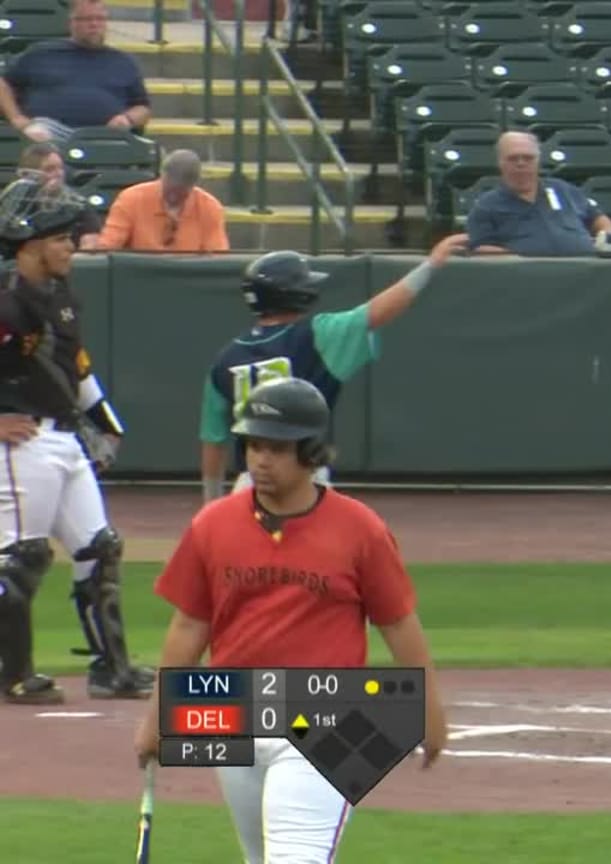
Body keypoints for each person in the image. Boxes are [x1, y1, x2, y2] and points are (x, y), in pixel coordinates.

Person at [133, 377, 449, 863]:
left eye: (277, 448)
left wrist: (429, 710)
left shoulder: (360, 529)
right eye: (254, 446)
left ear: (312, 451)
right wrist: (158, 717)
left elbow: (398, 624)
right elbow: (190, 626)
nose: (261, 460)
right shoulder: (213, 525)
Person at [0, 176, 152, 704]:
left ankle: (112, 669)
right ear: (30, 245)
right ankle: (14, 673)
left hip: (65, 440)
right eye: (61, 238)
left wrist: (107, 423)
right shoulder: (7, 302)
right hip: (22, 443)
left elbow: (76, 368)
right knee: (19, 560)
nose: (72, 246)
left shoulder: (60, 296)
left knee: (99, 548)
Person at [199, 233, 468, 502]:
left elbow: (213, 440)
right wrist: (430, 265)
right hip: (302, 480)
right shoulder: (317, 334)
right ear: (293, 293)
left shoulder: (225, 359)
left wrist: (211, 505)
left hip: (251, 484)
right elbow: (378, 311)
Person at [0, 0, 152, 142]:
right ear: (71, 23)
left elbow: (142, 107)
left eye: (100, 19)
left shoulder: (124, 61)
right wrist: (17, 118)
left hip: (104, 134)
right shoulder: (41, 53)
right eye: (87, 19)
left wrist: (127, 118)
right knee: (38, 135)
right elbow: (3, 85)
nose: (94, 24)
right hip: (47, 132)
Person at [465, 131, 611, 257]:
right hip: (528, 277)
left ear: (538, 161)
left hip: (588, 271)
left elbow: (598, 218)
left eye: (528, 158)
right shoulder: (486, 205)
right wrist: (519, 259)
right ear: (500, 162)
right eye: (513, 158)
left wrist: (606, 241)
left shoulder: (563, 189)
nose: (521, 164)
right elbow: (481, 248)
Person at [97, 150, 230, 253]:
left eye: (181, 193)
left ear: (194, 185)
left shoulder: (210, 208)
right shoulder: (131, 199)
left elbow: (217, 258)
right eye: (169, 190)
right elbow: (108, 246)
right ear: (162, 175)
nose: (173, 197)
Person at [16, 143, 102, 249]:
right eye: (49, 169)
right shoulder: (15, 205)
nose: (58, 174)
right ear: (29, 175)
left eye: (60, 168)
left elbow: (90, 245)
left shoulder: (78, 205)